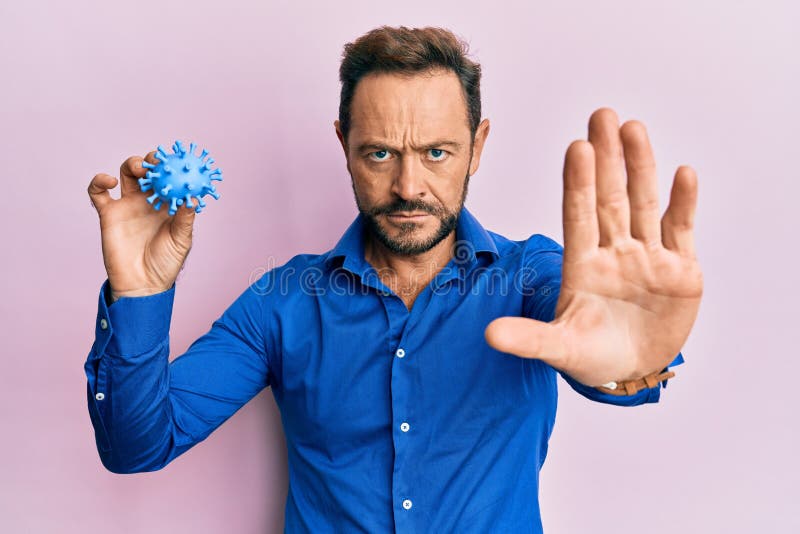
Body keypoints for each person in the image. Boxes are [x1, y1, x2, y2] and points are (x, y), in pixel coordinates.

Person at [84, 25, 702, 533]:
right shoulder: (281, 304)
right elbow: (137, 446)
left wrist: (626, 365)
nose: (409, 188)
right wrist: (139, 293)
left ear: (477, 146)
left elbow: (593, 338)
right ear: (344, 144)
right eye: (380, 153)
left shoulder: (533, 278)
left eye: (437, 152)